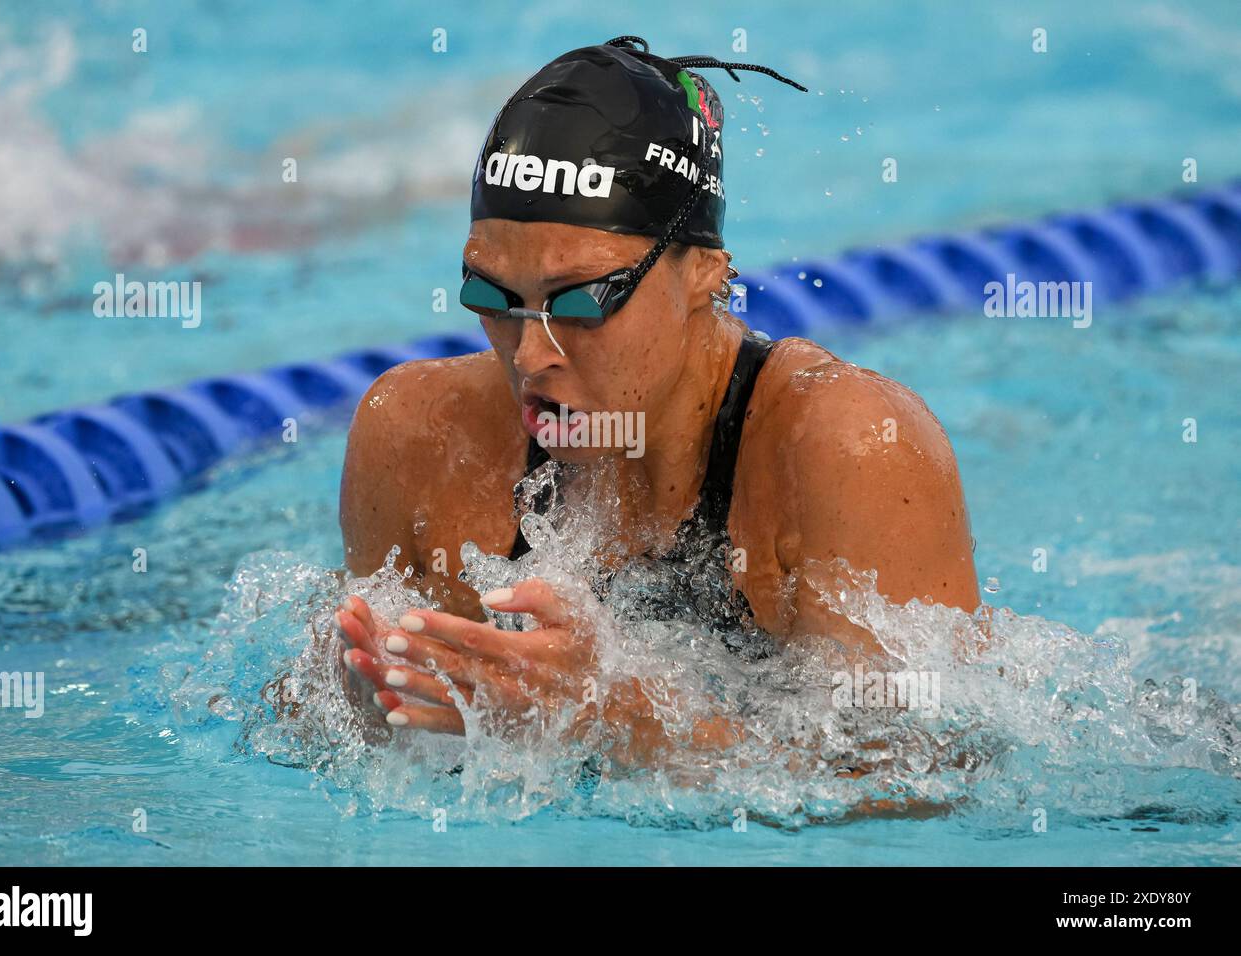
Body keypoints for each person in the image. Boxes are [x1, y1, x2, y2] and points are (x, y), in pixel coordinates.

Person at [333, 36, 978, 766]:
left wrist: (628, 724)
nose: (530, 352)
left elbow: (936, 775)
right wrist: (363, 716)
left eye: (580, 302)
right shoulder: (419, 436)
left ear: (705, 269)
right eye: (493, 296)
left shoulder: (852, 448)